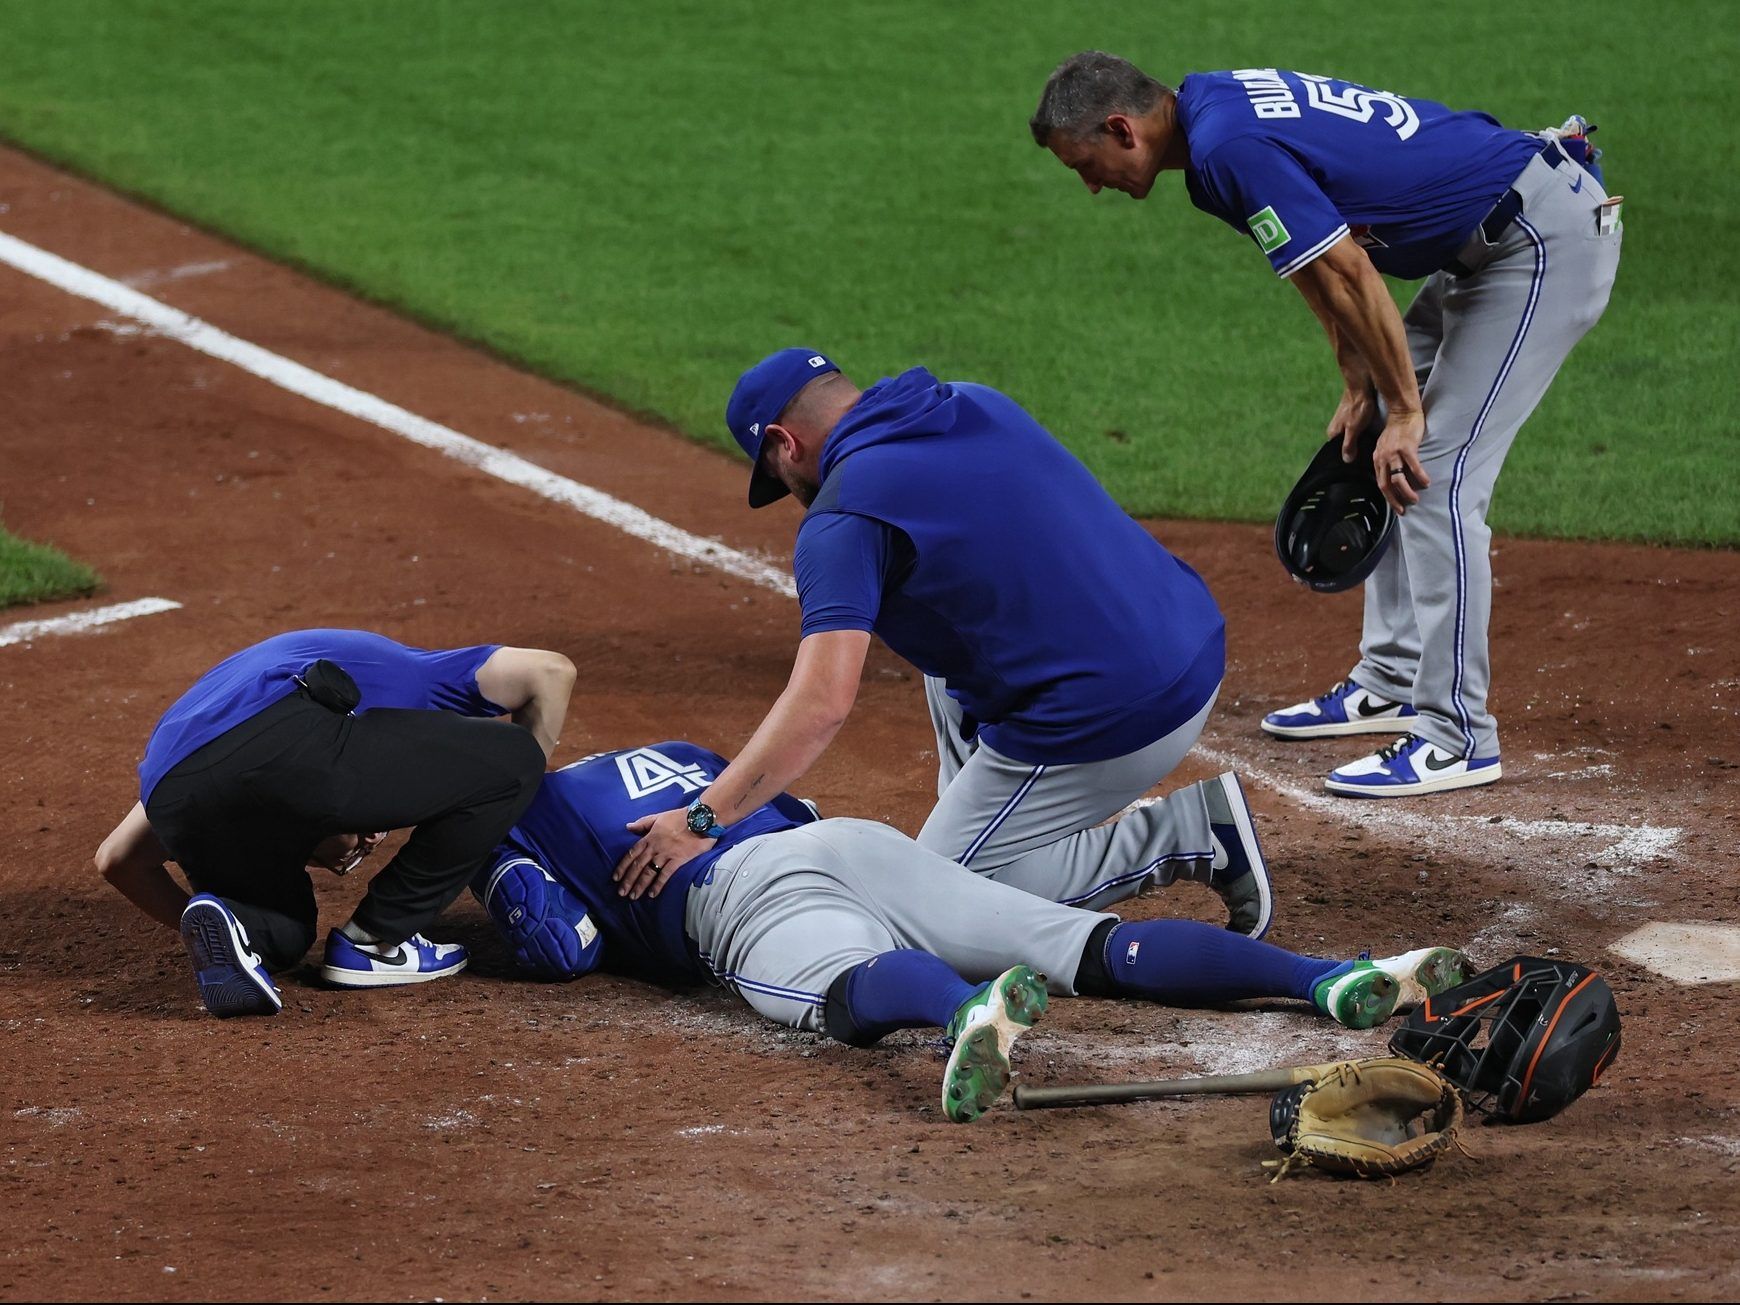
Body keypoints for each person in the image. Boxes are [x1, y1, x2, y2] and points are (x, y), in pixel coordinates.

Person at [1031, 55, 1622, 797]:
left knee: (1435, 472)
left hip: (1540, 239)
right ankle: (1392, 674)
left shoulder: (1225, 151)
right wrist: (1360, 381)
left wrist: (1405, 408)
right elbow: (1313, 262)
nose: (1091, 186)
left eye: (1087, 164)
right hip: (1486, 236)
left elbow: (1352, 272)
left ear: (1122, 128)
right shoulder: (1210, 112)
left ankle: (1457, 733)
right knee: (1378, 432)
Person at [616, 348, 1272, 940]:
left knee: (935, 903)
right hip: (1188, 634)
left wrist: (702, 820)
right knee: (937, 602)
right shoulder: (970, 399)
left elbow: (821, 703)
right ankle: (989, 824)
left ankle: (1188, 835)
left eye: (777, 476)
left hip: (1122, 709)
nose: (789, 495)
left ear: (786, 444)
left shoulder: (842, 519)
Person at [474, 739, 1471, 1122]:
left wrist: (500, 898)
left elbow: (564, 948)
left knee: (844, 988)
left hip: (748, 907)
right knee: (1091, 947)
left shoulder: (513, 821)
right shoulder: (666, 754)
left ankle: (964, 1014)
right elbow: (803, 814)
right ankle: (1328, 979)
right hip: (859, 846)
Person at [93, 628, 574, 1017]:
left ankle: (236, 928)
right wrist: (514, 813)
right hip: (285, 738)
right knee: (514, 760)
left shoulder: (227, 703)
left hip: (173, 787)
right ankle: (375, 941)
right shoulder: (424, 677)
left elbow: (118, 859)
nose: (371, 837)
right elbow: (550, 671)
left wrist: (191, 926)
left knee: (285, 932)